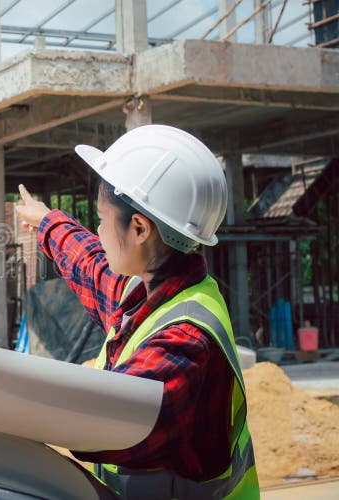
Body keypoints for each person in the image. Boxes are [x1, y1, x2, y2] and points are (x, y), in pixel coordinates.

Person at [15, 125, 259, 499]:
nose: (96, 228)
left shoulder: (184, 341)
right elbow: (93, 267)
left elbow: (103, 422)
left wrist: (4, 407)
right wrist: (46, 222)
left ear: (140, 227)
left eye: (100, 217)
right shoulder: (152, 293)